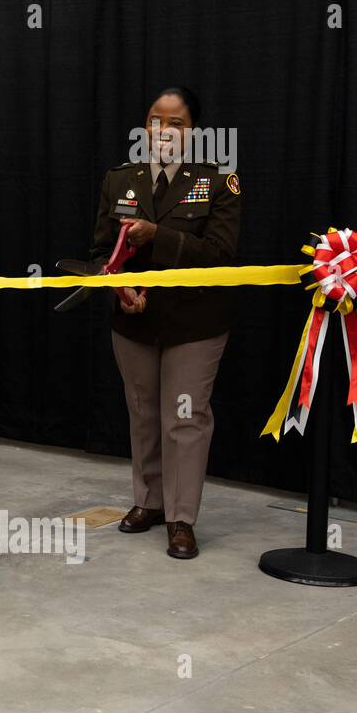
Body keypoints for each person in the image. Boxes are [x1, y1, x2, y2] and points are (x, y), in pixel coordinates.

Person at [90, 86, 241, 560]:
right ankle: (149, 502)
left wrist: (160, 234)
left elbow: (219, 255)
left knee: (184, 416)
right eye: (156, 120)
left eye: (176, 123)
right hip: (133, 320)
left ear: (193, 130)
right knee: (143, 412)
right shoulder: (120, 180)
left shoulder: (218, 181)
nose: (164, 130)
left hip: (193, 322)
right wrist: (117, 287)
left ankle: (181, 518)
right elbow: (100, 253)